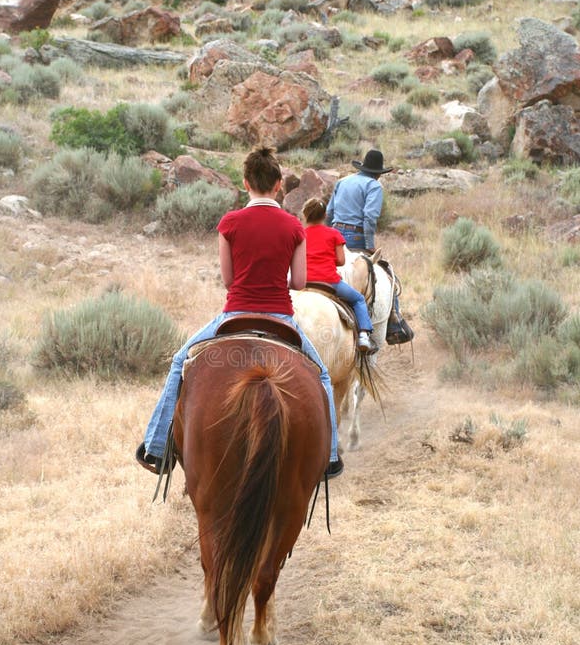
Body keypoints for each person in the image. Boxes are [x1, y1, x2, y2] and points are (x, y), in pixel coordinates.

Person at [136, 146, 343, 479]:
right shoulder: (293, 227)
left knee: (179, 361)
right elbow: (301, 282)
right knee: (320, 375)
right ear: (279, 185)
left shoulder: (230, 222)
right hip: (280, 318)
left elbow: (229, 280)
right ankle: (330, 458)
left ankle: (157, 448)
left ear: (246, 183)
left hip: (234, 315)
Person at [326, 148, 413, 345]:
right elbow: (370, 217)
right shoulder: (373, 186)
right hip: (356, 236)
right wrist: (369, 245)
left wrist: (324, 237)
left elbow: (329, 212)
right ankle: (394, 322)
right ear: (377, 174)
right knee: (387, 274)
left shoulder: (342, 181)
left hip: (334, 233)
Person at [301, 196, 377, 354]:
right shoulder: (333, 234)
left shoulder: (300, 234)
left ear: (305, 215)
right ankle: (363, 335)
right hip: (330, 283)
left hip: (303, 282)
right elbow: (341, 261)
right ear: (325, 216)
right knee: (358, 299)